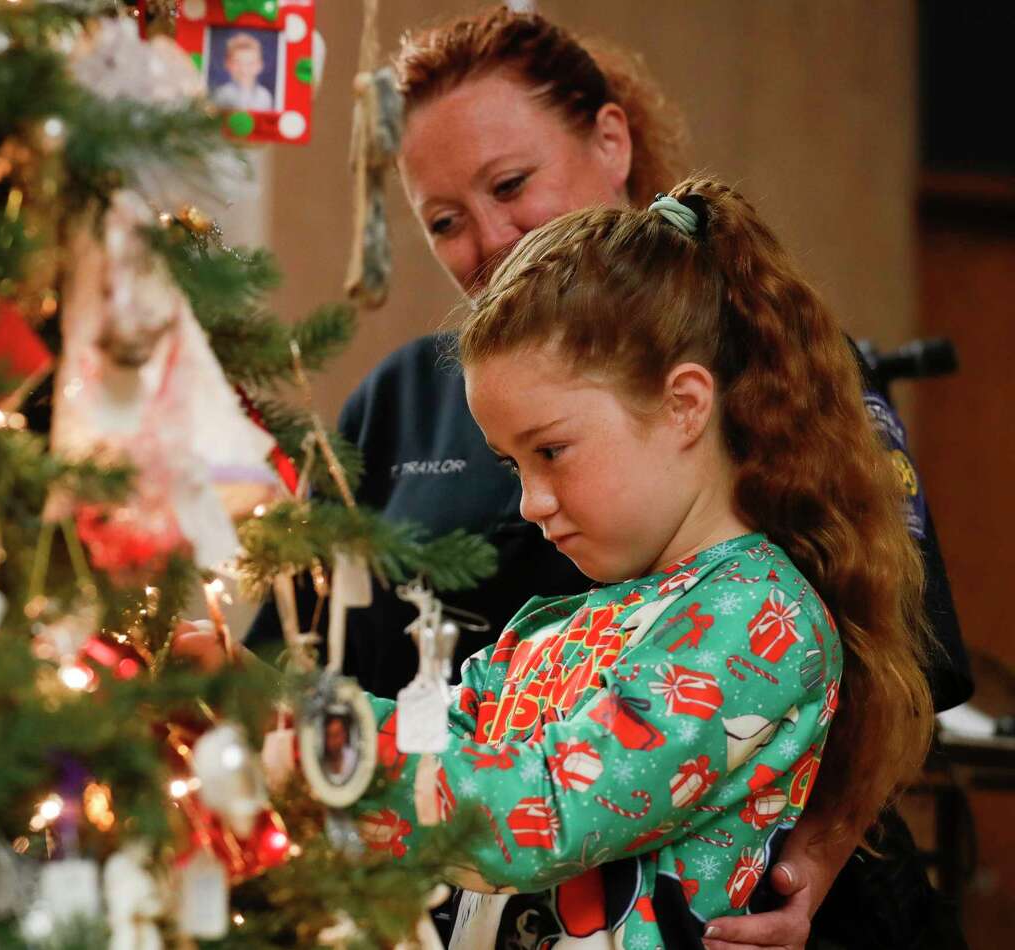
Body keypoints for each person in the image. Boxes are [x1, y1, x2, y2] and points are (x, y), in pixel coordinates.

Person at [247, 7, 972, 947]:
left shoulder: (755, 587)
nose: (489, 236)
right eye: (444, 221)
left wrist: (810, 858)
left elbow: (898, 655)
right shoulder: (522, 581)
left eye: (512, 183)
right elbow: (413, 709)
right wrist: (260, 708)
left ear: (611, 141)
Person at [346, 183, 934, 947]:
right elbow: (434, 749)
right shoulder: (547, 627)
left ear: (685, 404)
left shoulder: (758, 617)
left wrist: (325, 740)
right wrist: (272, 713)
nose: (530, 501)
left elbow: (548, 814)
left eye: (552, 450)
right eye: (514, 464)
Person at [212, 33, 273, 112]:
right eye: (237, 63)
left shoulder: (265, 96)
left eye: (250, 64)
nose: (243, 70)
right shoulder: (221, 95)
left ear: (260, 65)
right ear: (227, 64)